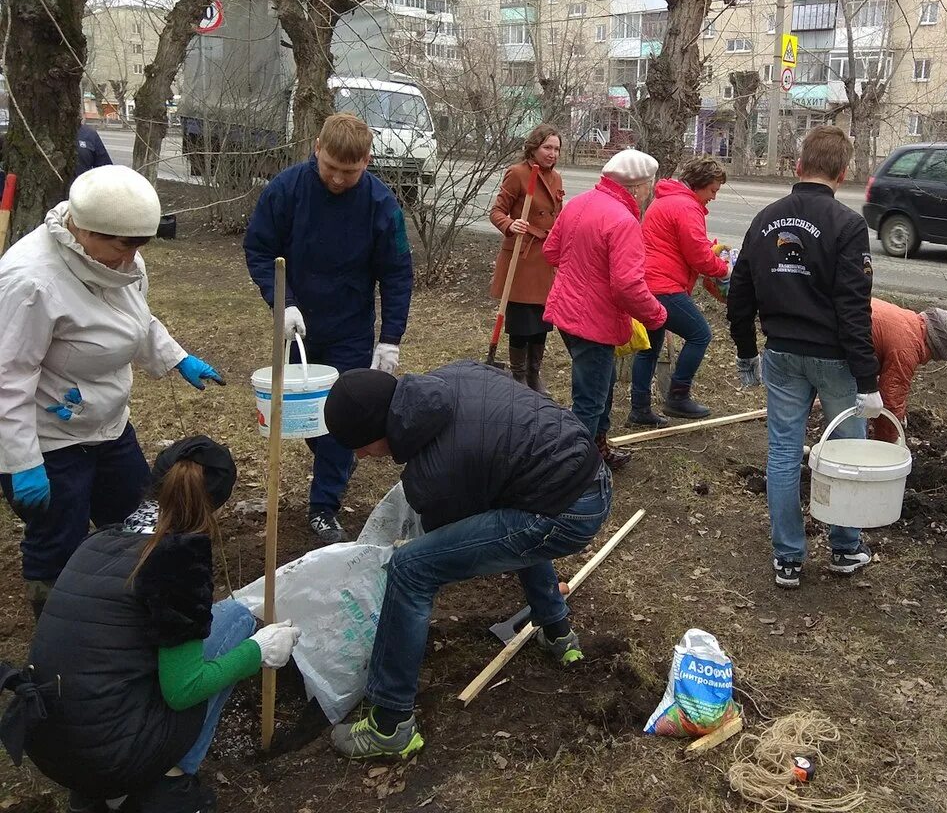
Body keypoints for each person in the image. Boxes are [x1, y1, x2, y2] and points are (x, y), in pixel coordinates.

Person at [320, 362, 611, 760]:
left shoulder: (432, 478)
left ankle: (389, 725)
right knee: (506, 518)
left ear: (378, 430)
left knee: (411, 569)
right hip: (586, 472)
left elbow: (446, 547)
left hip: (564, 513)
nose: (360, 455)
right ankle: (558, 634)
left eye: (359, 445)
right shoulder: (451, 375)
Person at [1, 437, 300, 812]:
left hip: (51, 746)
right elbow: (183, 690)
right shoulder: (176, 562)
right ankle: (168, 783)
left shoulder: (98, 541)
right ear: (217, 504)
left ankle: (102, 794)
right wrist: (260, 650)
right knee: (237, 619)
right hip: (112, 757)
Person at [0, 165, 223, 617]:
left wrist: (177, 357)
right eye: (122, 245)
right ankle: (57, 617)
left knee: (133, 516)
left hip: (107, 422)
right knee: (57, 535)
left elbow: (135, 319)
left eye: (140, 245)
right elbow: (8, 377)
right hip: (50, 436)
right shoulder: (30, 283)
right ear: (81, 227)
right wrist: (22, 462)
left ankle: (124, 602)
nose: (131, 258)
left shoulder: (122, 258)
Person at [244, 112, 413, 545]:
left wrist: (390, 337)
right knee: (306, 415)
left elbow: (396, 272)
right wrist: (282, 303)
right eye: (331, 168)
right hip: (297, 327)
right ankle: (335, 462)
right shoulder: (286, 191)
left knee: (342, 418)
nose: (338, 179)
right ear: (317, 148)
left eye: (350, 172)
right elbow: (260, 249)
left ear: (368, 161)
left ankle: (323, 507)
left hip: (351, 328)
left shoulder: (380, 205)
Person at [727, 126, 882, 590]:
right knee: (844, 453)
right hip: (834, 361)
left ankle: (788, 559)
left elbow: (740, 293)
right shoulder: (848, 225)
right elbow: (854, 308)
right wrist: (868, 379)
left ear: (798, 167)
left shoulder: (765, 218)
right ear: (843, 172)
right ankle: (845, 547)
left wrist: (747, 352)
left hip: (782, 354)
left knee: (782, 452)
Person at [543, 149, 667, 470]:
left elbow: (551, 252)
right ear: (637, 186)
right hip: (593, 323)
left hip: (567, 314)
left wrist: (583, 271)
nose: (649, 193)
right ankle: (572, 470)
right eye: (648, 186)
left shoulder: (580, 203)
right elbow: (627, 286)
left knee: (603, 380)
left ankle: (597, 448)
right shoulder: (623, 220)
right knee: (590, 400)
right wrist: (656, 315)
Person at [628, 156, 731, 426]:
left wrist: (710, 248)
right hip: (664, 286)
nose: (714, 197)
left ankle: (639, 409)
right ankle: (678, 396)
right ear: (700, 185)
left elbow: (684, 242)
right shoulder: (686, 207)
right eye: (713, 190)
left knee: (650, 347)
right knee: (700, 335)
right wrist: (725, 270)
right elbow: (698, 256)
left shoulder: (666, 200)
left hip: (647, 283)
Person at [488, 123, 564, 396]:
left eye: (556, 148)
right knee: (521, 319)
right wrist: (511, 224)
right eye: (547, 147)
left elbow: (558, 215)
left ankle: (534, 373)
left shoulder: (557, 178)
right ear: (533, 147)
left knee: (541, 319)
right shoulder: (517, 173)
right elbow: (497, 211)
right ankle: (518, 374)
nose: (552, 153)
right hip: (521, 257)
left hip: (545, 257)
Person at [868, 298, 947, 442]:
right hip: (832, 350)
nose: (925, 362)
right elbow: (891, 402)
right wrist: (889, 442)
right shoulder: (908, 348)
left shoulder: (907, 320)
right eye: (933, 357)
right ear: (934, 348)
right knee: (852, 431)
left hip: (830, 326)